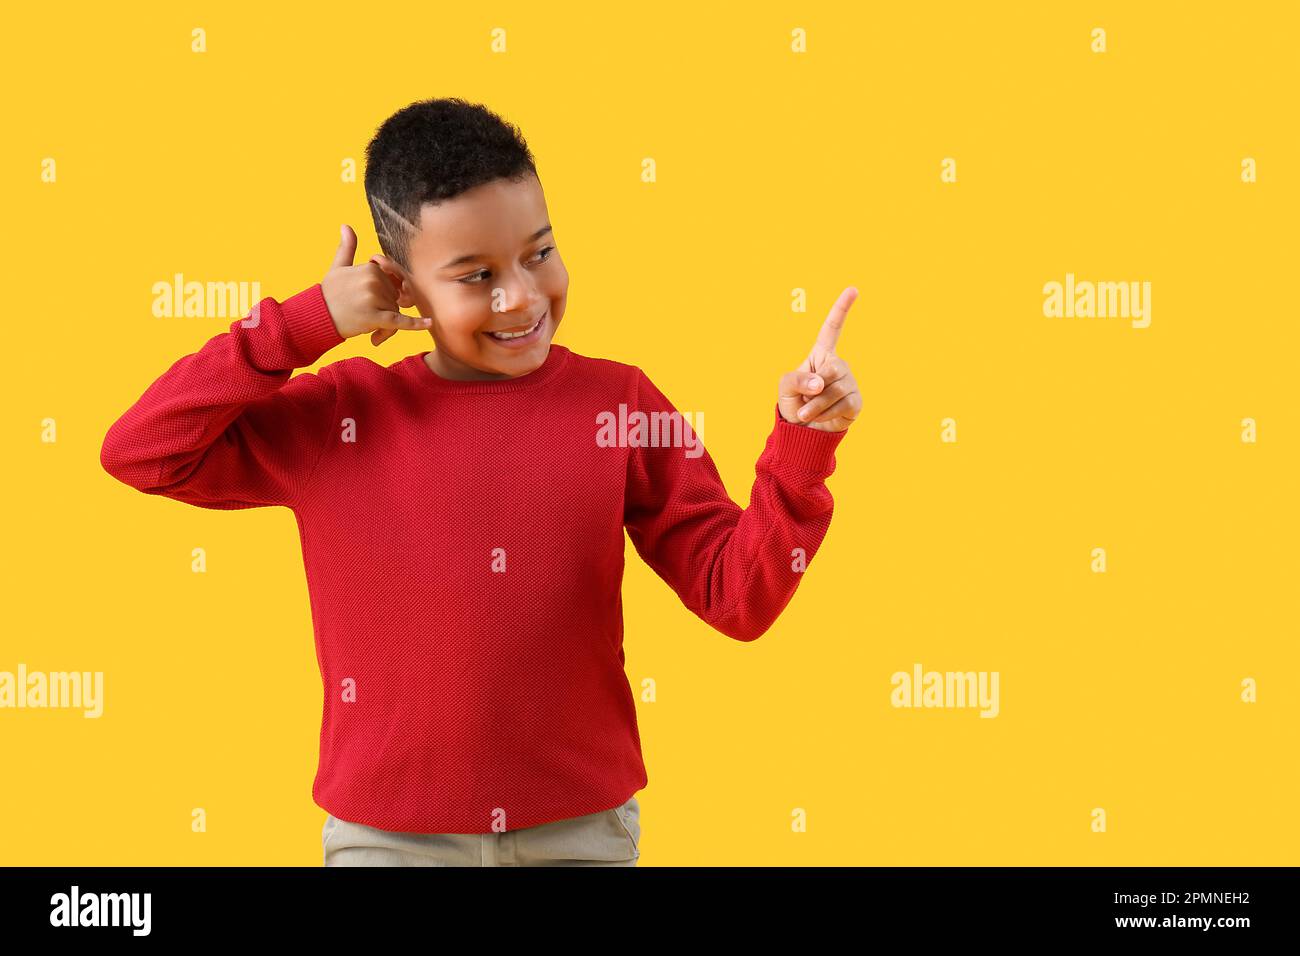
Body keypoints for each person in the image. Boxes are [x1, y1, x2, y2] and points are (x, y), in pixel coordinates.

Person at [100, 97, 861, 866]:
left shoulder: (620, 406)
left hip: (580, 833)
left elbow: (739, 597)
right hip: (388, 841)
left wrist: (802, 446)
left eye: (540, 253)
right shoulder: (339, 416)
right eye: (475, 275)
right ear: (398, 286)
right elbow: (142, 451)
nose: (522, 297)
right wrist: (299, 326)